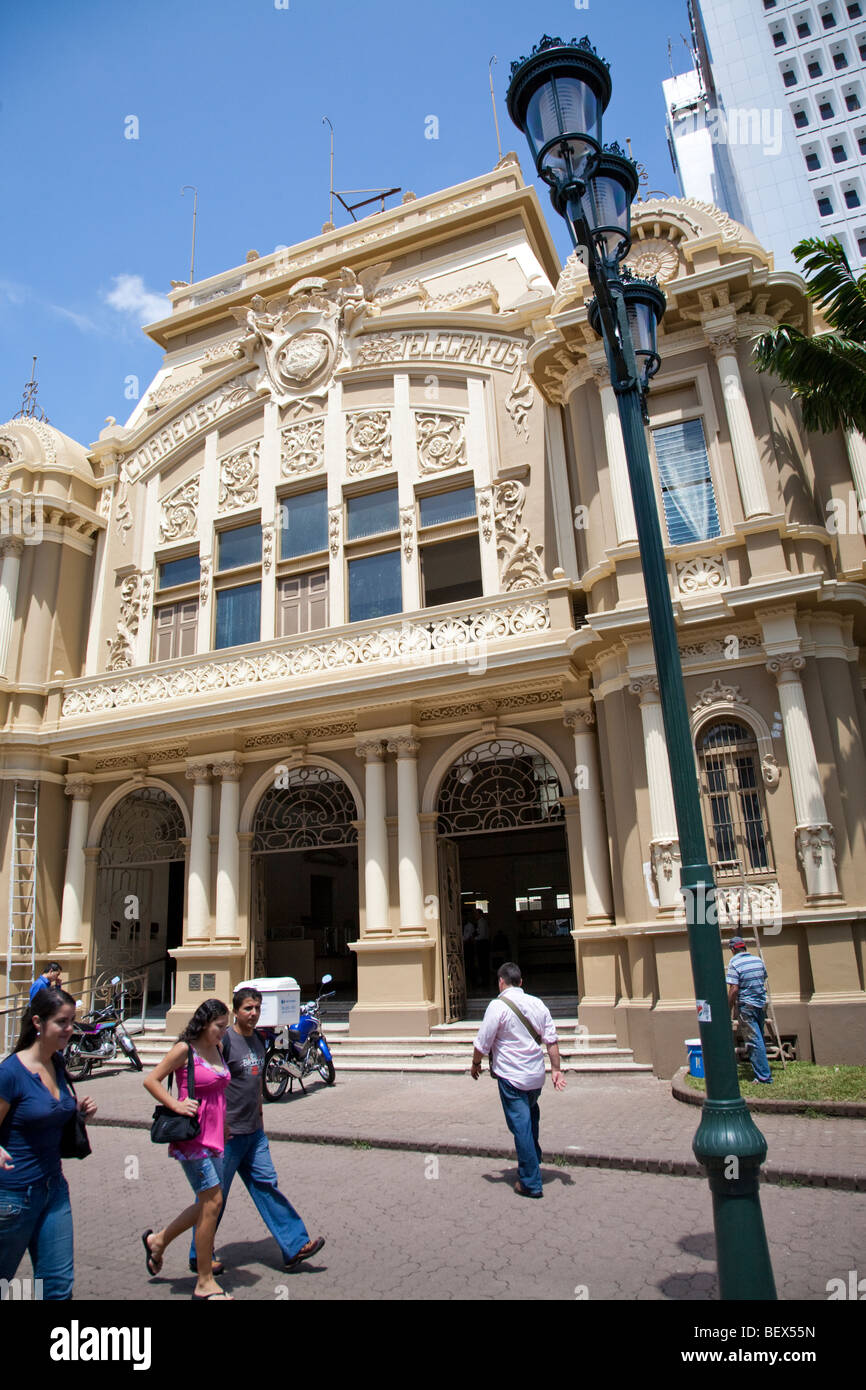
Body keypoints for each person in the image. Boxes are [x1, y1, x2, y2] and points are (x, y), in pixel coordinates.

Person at [189, 987, 324, 1273]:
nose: (253, 1013)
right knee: (215, 1196)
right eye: (248, 1008)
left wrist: (261, 1120)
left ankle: (294, 1244)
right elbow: (205, 1075)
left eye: (257, 1008)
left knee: (267, 1185)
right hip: (225, 1134)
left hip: (254, 1133)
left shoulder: (260, 1043)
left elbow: (256, 1087)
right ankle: (198, 1254)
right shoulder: (224, 1041)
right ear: (235, 1011)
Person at [0, 987, 97, 1299]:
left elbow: (50, 1111)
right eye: (62, 1022)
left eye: (72, 1022)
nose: (70, 1029)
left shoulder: (57, 1063)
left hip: (54, 1190)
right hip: (13, 1196)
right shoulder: (10, 1072)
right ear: (38, 1023)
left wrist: (78, 1113)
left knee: (57, 1287)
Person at [142, 998, 234, 1300]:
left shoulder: (218, 1049)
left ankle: (159, 1241)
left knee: (207, 1203)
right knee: (212, 1202)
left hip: (215, 1137)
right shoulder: (185, 1049)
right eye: (219, 1026)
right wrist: (176, 1105)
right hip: (192, 1138)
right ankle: (204, 1281)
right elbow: (152, 1080)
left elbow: (219, 1092)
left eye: (225, 1026)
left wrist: (225, 1126)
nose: (223, 1032)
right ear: (205, 1023)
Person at [470, 962, 565, 1198]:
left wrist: (475, 1063)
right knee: (531, 1113)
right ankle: (533, 1154)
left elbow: (483, 1041)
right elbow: (551, 1040)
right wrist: (556, 1069)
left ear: (501, 982)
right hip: (535, 1076)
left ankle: (531, 1182)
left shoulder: (497, 1006)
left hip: (511, 1076)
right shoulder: (538, 1003)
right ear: (521, 982)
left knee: (520, 1125)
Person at [726, 936, 772, 1084]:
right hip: (760, 1004)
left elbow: (734, 988)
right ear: (744, 947)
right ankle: (762, 1071)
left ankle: (763, 1077)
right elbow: (763, 978)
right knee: (759, 1038)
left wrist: (729, 1007)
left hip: (747, 1006)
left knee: (754, 1041)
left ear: (733, 949)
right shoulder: (758, 961)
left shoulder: (734, 963)